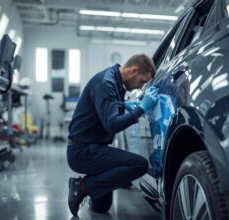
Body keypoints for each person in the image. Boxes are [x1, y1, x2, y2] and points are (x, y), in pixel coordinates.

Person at [66, 54, 159, 216]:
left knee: (102, 206)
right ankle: (82, 186)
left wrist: (123, 105)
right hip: (81, 152)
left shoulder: (114, 82)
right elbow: (113, 125)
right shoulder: (106, 83)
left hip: (93, 148)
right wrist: (141, 108)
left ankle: (93, 182)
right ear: (134, 70)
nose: (139, 88)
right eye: (142, 82)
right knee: (139, 165)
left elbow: (104, 109)